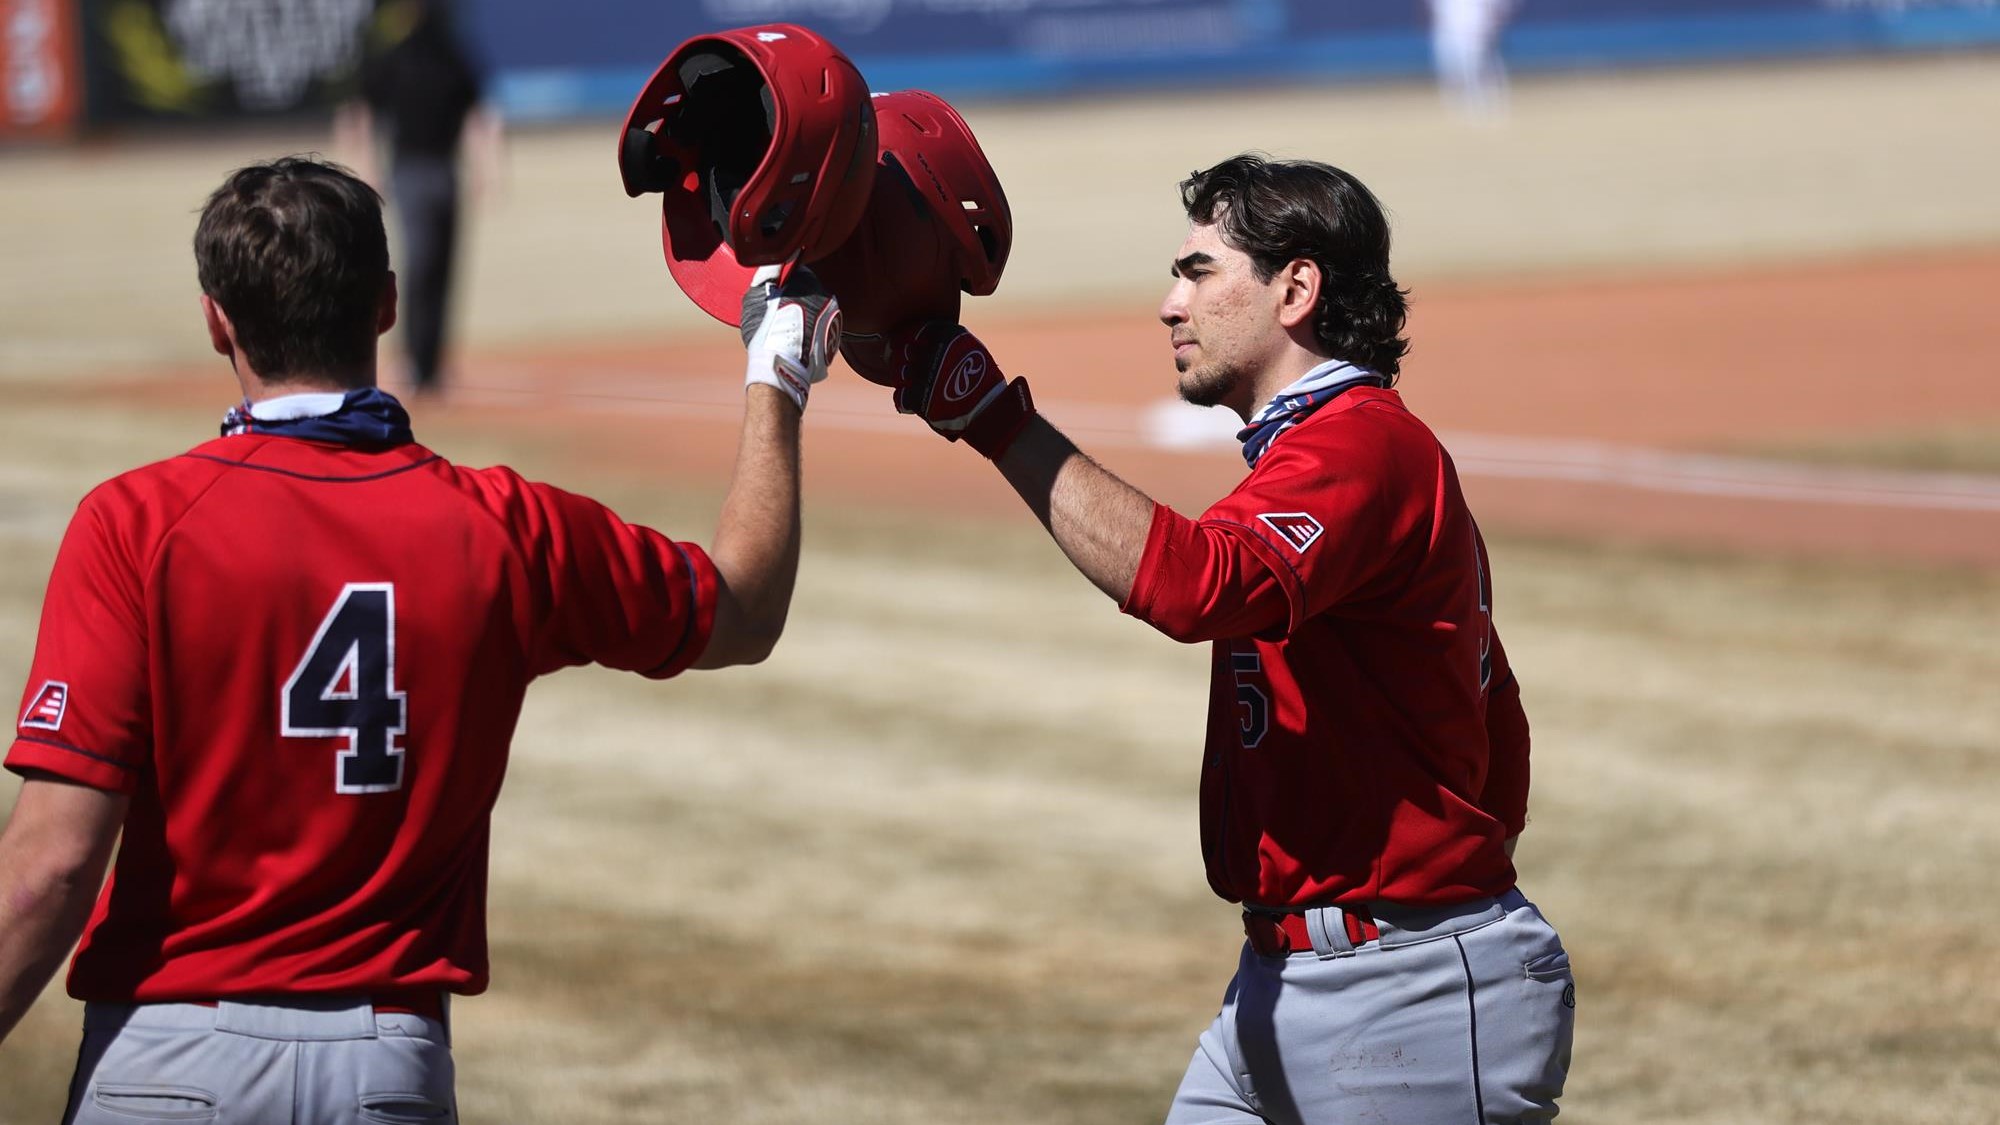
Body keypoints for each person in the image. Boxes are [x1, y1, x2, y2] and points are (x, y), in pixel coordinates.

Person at [0, 155, 838, 1122]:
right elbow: (743, 608)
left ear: (216, 319)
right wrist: (775, 371)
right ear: (388, 304)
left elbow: (53, 866)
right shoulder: (507, 525)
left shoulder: (134, 523)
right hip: (386, 1067)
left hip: (170, 1055)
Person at [872, 153, 1573, 1122]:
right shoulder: (1311, 454)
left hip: (1401, 992)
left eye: (1198, 272)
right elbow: (1498, 719)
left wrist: (996, 421)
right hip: (1289, 981)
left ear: (1295, 287)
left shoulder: (1361, 446)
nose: (1168, 304)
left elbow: (1194, 585)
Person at [335, 0, 501, 396]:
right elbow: (361, 112)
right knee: (423, 261)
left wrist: (485, 169)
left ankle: (433, 363)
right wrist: (365, 167)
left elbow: (478, 114)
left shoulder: (451, 57)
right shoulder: (396, 58)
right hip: (409, 170)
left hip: (445, 169)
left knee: (444, 265)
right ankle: (412, 358)